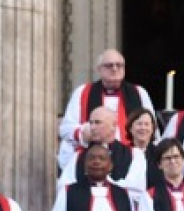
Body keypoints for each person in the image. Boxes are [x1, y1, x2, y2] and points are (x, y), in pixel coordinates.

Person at [56, 48, 155, 176]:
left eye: (119, 65)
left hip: (130, 161)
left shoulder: (139, 93)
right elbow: (65, 129)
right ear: (99, 69)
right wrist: (84, 133)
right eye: (109, 65)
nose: (114, 69)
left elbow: (152, 129)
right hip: (93, 161)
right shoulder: (83, 92)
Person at [58, 106, 146, 195]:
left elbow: (136, 190)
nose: (92, 127)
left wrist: (101, 185)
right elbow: (64, 188)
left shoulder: (134, 155)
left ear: (113, 125)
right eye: (91, 123)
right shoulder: (78, 156)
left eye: (97, 122)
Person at [125, 108, 162, 190]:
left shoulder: (160, 154)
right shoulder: (121, 154)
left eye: (146, 124)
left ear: (153, 129)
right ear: (130, 128)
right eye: (139, 124)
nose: (143, 128)